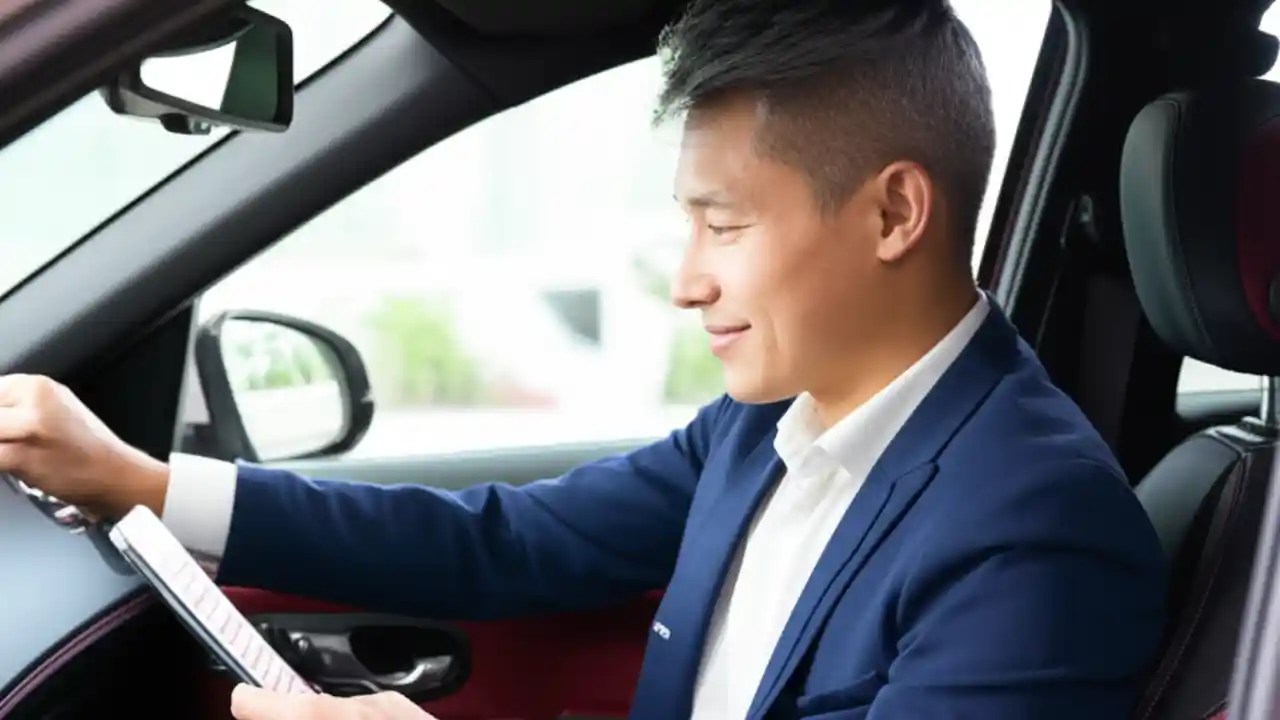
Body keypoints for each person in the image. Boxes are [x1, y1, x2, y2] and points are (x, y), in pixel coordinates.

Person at [0, 0, 1168, 718]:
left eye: (724, 224)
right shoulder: (764, 426)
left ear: (890, 214)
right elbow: (505, 544)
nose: (686, 277)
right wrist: (144, 485)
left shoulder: (1035, 531)